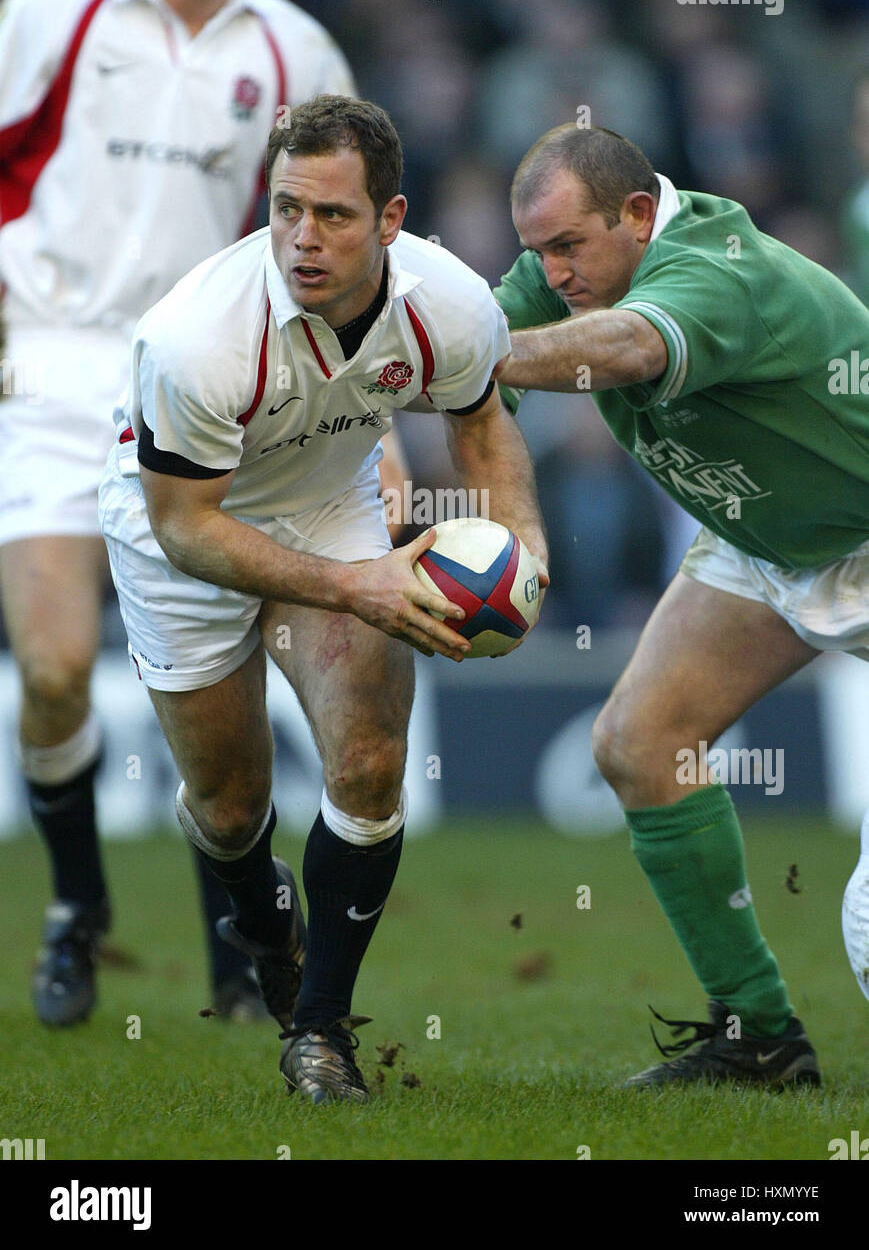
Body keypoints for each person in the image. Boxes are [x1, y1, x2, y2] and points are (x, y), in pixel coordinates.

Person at [97, 93, 548, 1103]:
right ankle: (262, 922)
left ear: (390, 219)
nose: (302, 237)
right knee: (226, 805)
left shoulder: (454, 305)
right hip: (180, 530)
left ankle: (319, 1032)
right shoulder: (194, 339)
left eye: (333, 215)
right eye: (286, 207)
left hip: (330, 504)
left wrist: (525, 544)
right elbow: (187, 526)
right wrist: (359, 582)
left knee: (369, 761)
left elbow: (480, 428)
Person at [0, 0, 357, 1028]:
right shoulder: (56, 6)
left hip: (205, 381)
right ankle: (78, 910)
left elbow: (328, 236)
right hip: (48, 365)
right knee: (53, 669)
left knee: (210, 673)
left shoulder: (296, 50)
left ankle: (236, 942)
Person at [494, 121, 869, 1088]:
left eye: (569, 247)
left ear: (638, 214)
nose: (552, 274)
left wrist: (456, 362)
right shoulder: (562, 267)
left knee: (867, 927)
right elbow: (469, 360)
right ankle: (759, 1040)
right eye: (536, 252)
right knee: (639, 744)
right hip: (767, 537)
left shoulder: (717, 265)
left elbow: (622, 348)